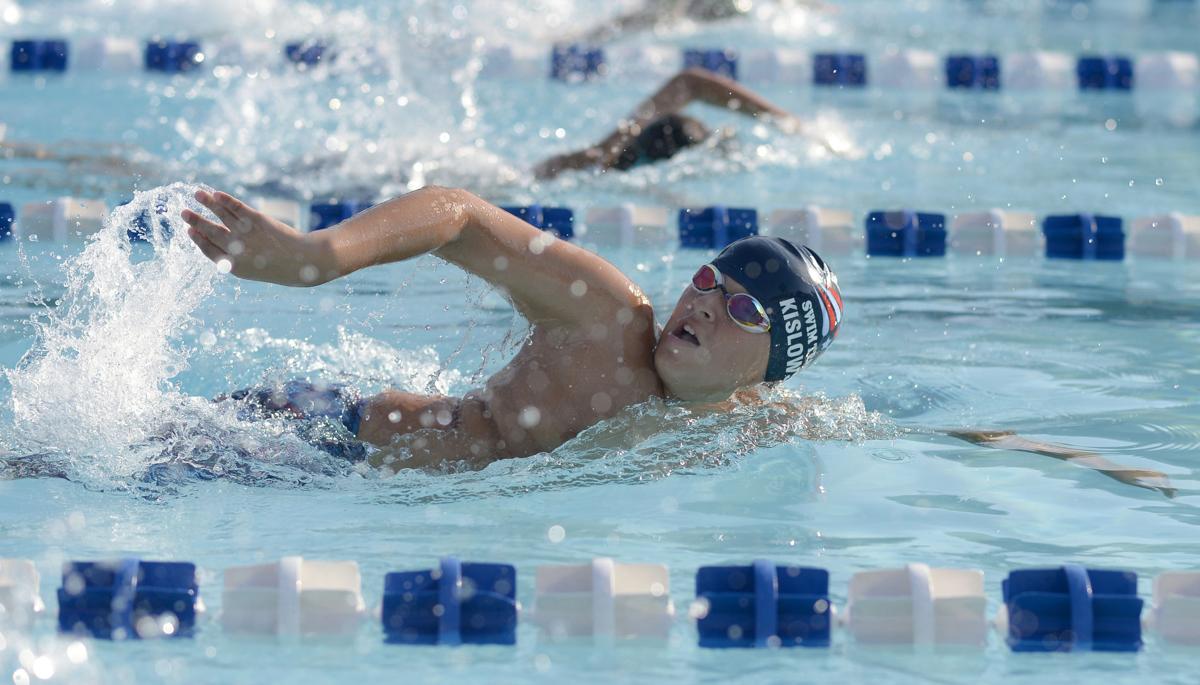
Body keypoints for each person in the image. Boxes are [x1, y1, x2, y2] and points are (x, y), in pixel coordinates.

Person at [180, 186, 843, 470]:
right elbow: (461, 217)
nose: (703, 304)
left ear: (770, 366)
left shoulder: (747, 416)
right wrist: (315, 257)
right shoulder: (608, 319)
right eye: (708, 281)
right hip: (312, 437)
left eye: (743, 310)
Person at [533, 66, 808, 180]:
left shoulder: (604, 152)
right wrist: (785, 121)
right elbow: (691, 82)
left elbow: (690, 81)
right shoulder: (605, 157)